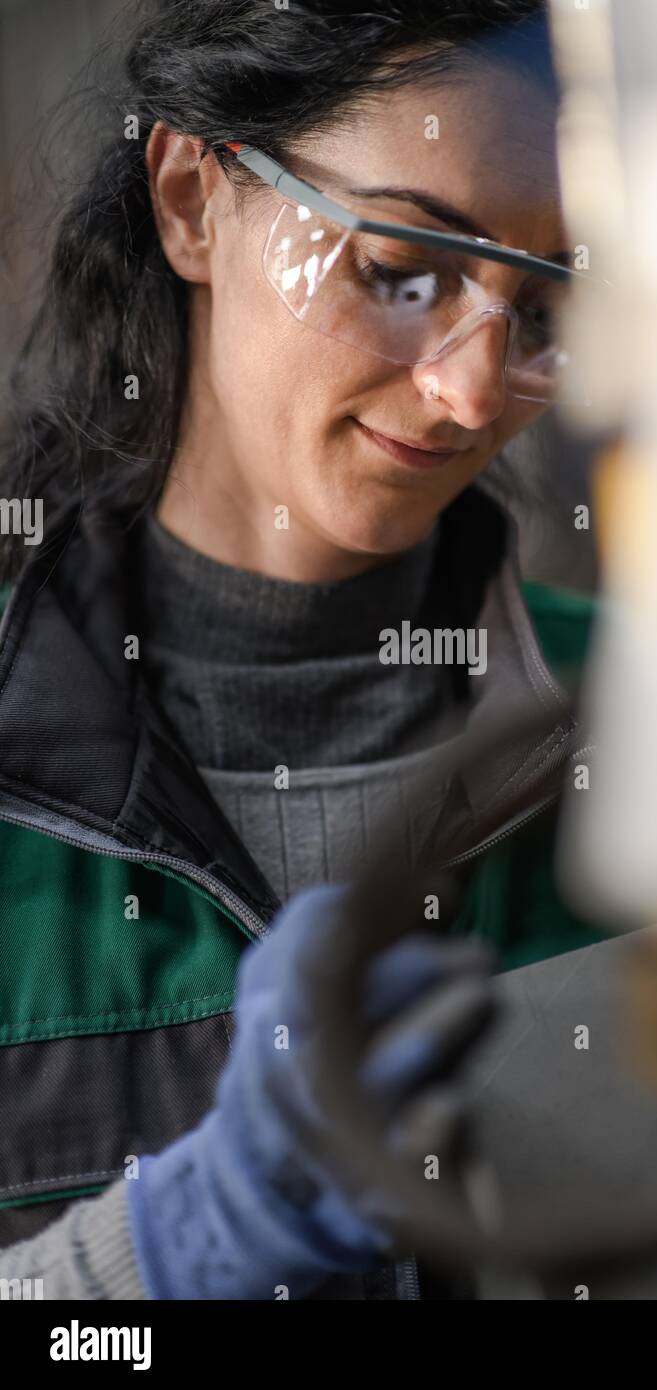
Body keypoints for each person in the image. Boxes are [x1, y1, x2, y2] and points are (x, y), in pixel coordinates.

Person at [0, 0, 603, 1300]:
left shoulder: (649, 741)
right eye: (400, 267)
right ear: (191, 198)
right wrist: (163, 1249)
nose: (472, 389)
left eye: (543, 308)